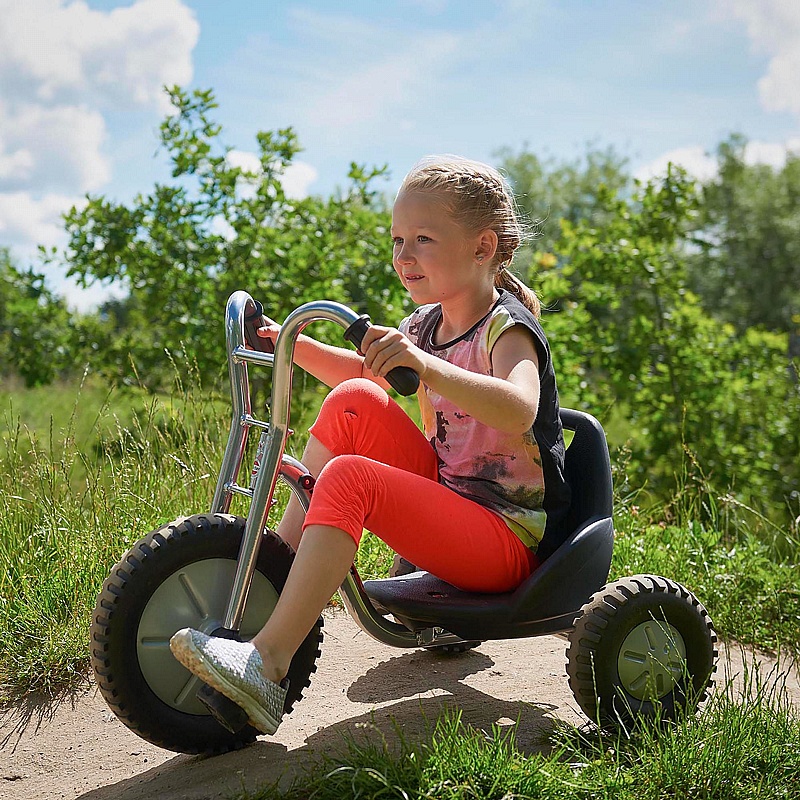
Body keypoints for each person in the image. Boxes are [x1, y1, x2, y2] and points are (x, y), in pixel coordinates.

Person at [170, 155, 571, 736]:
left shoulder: (506, 329)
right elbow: (365, 370)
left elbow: (519, 406)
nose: (403, 256)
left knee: (349, 478)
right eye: (397, 239)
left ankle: (269, 664)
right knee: (355, 397)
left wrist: (426, 368)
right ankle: (276, 581)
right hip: (451, 500)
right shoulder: (428, 323)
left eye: (423, 239)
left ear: (483, 248)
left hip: (505, 537)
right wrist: (288, 341)